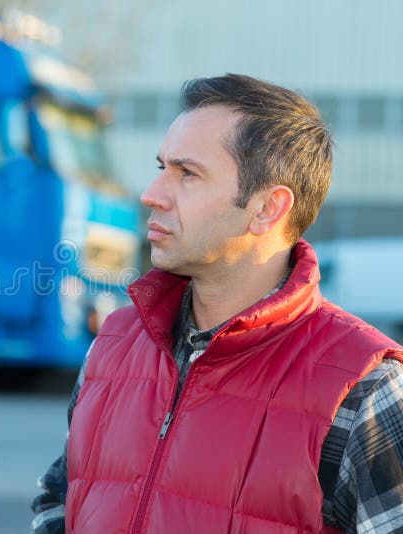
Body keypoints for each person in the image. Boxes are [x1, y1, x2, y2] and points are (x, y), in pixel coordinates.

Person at [31, 74, 403, 533]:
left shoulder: (363, 387)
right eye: (162, 166)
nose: (152, 193)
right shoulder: (113, 343)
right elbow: (59, 498)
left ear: (267, 208)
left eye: (187, 174)